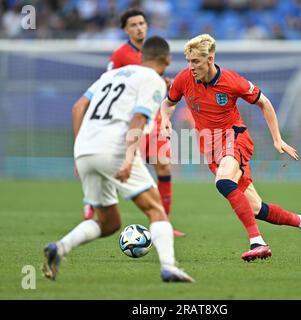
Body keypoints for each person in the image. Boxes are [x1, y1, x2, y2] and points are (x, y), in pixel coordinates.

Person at [42, 36, 194, 283]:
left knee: (109, 222)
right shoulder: (153, 80)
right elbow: (137, 119)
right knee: (156, 210)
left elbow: (78, 107)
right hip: (113, 149)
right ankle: (169, 267)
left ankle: (59, 248)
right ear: (167, 59)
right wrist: (127, 159)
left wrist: (78, 151)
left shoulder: (112, 75)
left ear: (142, 56)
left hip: (84, 149)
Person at [160, 34, 301, 261]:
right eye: (188, 61)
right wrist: (166, 119)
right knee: (257, 209)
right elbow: (167, 103)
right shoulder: (184, 79)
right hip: (212, 149)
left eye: (195, 61)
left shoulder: (232, 81)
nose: (191, 67)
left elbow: (264, 102)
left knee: (223, 182)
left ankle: (258, 242)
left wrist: (277, 139)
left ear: (210, 58)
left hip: (235, 138)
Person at [83, 8, 185, 237]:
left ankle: (164, 222)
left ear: (147, 26)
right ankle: (92, 200)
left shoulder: (154, 50)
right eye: (133, 25)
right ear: (125, 30)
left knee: (164, 164)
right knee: (117, 167)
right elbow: (109, 83)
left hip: (151, 116)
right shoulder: (120, 55)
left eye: (142, 23)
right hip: (128, 121)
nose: (139, 28)